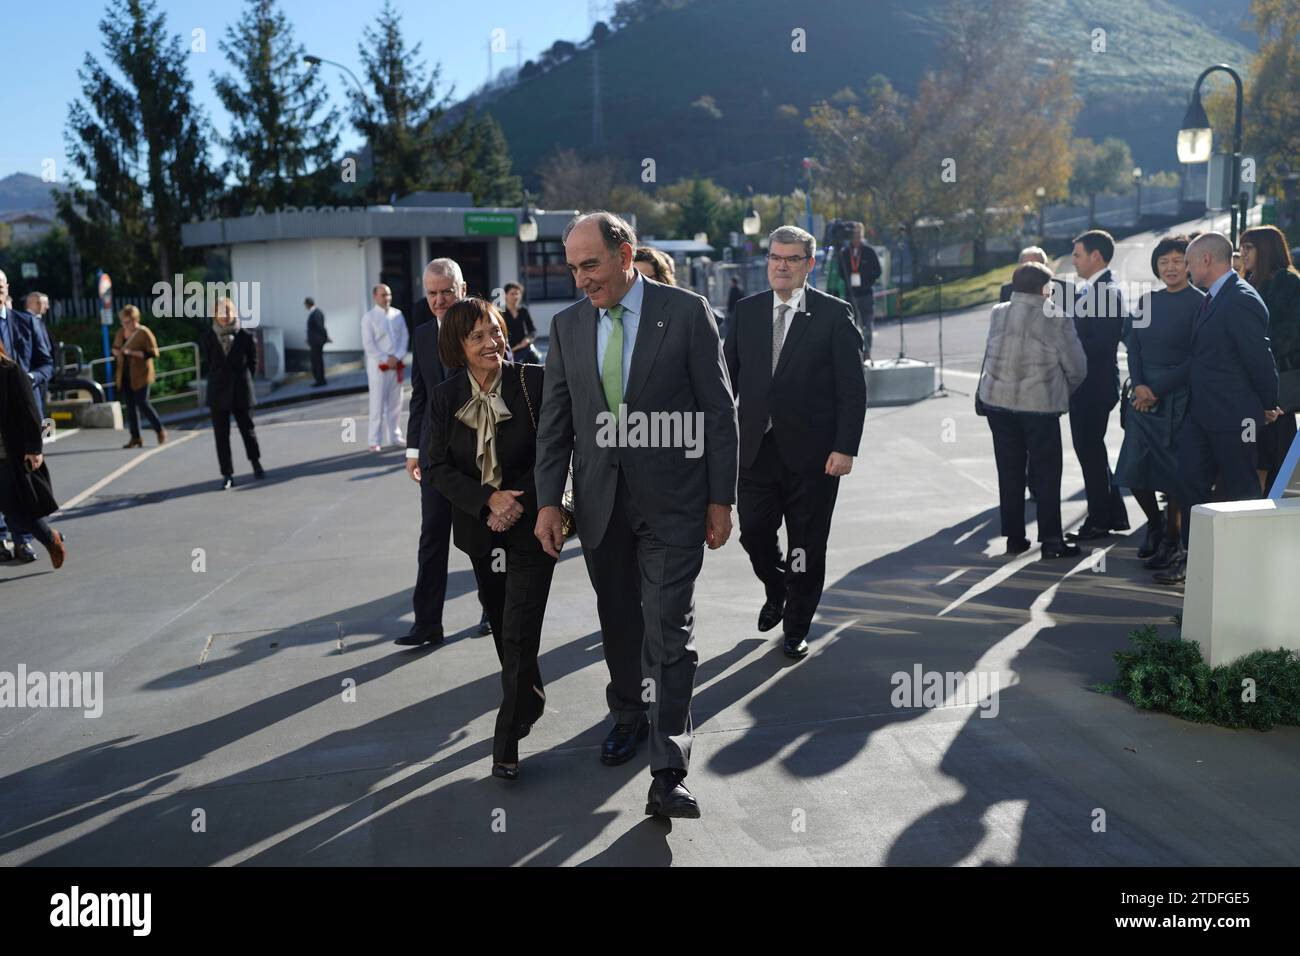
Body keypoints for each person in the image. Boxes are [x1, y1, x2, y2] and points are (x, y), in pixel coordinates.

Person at [534, 211, 738, 819]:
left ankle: (669, 768)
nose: (580, 280)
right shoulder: (567, 326)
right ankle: (625, 713)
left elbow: (718, 412)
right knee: (620, 623)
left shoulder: (686, 312)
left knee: (669, 630)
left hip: (674, 505)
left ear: (626, 254)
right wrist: (550, 500)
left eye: (589, 264)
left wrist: (720, 498)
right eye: (572, 268)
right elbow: (555, 421)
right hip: (599, 506)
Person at [725, 225, 866, 657]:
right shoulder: (746, 312)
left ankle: (796, 626)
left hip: (814, 458)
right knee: (754, 534)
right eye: (774, 257)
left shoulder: (833, 314)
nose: (781, 265)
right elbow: (724, 379)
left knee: (806, 544)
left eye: (791, 259)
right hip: (754, 452)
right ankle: (776, 587)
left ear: (809, 264)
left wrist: (845, 448)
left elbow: (852, 388)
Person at [427, 298, 554, 779]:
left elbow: (557, 447)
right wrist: (488, 500)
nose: (491, 343)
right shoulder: (445, 397)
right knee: (505, 628)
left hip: (533, 524)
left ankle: (505, 741)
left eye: (496, 331)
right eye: (477, 335)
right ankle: (531, 697)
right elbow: (436, 466)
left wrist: (516, 501)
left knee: (520, 628)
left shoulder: (532, 381)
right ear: (458, 345)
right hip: (480, 529)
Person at [1156, 232, 1280, 585]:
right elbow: (1202, 359)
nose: (1187, 269)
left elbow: (1259, 357)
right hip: (1203, 414)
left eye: (1190, 262)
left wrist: (1267, 404)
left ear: (1207, 260)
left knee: (1242, 491)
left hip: (1234, 415)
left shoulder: (1240, 299)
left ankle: (1248, 577)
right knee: (1189, 484)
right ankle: (1198, 572)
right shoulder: (1214, 298)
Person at [978, 262, 1088, 558]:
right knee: (1047, 473)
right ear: (1044, 288)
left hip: (998, 404)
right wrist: (1061, 391)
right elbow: (1077, 367)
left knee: (1009, 470)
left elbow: (990, 354)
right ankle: (1051, 540)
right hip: (1039, 405)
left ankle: (1015, 537)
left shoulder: (998, 312)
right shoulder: (1056, 317)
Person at [1114, 236, 1199, 573]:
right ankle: (1156, 523)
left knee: (1174, 476)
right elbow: (1133, 347)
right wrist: (1140, 386)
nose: (1170, 267)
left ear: (1190, 264)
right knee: (1133, 473)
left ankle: (1172, 539)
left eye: (1178, 260)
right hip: (1142, 396)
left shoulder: (1200, 304)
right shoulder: (1148, 302)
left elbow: (1196, 358)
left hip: (1178, 399)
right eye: (1164, 261)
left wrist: (1157, 389)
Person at [397, 259, 462, 648]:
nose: (439, 300)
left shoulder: (481, 326)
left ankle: (494, 612)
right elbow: (418, 396)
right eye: (432, 293)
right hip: (434, 457)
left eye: (446, 291)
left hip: (477, 457)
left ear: (462, 288)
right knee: (433, 536)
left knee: (486, 541)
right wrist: (412, 450)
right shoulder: (421, 334)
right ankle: (427, 624)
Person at [1065, 229, 1130, 541]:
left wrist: (1067, 344)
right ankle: (1112, 514)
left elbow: (1103, 344)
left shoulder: (1104, 291)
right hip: (1089, 386)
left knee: (1089, 453)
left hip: (1094, 387)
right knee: (1093, 453)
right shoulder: (1091, 289)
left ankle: (1099, 520)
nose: (1073, 261)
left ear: (1096, 256)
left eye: (1077, 254)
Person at [1240, 225, 1300, 493]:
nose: (1242, 253)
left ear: (1266, 249)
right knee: (1253, 458)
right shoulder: (1249, 281)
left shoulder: (1288, 283)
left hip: (1279, 389)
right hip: (1252, 385)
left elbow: (1283, 338)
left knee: (1274, 459)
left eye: (1249, 247)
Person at [0, 269, 54, 564]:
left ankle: (26, 539)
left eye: (0, 285)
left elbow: (48, 364)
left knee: (26, 479)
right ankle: (3, 538)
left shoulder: (26, 322)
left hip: (28, 415)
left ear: (7, 288)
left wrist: (29, 377)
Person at [0, 341, 66, 569]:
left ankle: (50, 537)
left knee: (16, 508)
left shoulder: (10, 371)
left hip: (9, 452)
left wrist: (34, 448)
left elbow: (30, 410)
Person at [201, 297, 264, 490]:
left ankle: (256, 464)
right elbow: (209, 364)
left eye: (227, 312)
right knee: (221, 436)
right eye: (220, 312)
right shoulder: (208, 337)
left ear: (233, 313)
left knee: (248, 430)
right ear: (215, 315)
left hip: (241, 391)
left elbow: (253, 364)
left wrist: (244, 381)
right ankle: (227, 474)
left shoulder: (245, 336)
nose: (224, 316)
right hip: (218, 392)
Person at [111, 305, 167, 449]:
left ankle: (159, 430)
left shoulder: (144, 332)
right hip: (125, 374)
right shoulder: (120, 332)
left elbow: (153, 353)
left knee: (142, 403)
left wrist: (132, 352)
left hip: (141, 374)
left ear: (135, 319)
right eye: (123, 322)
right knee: (130, 408)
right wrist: (117, 353)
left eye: (128, 321)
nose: (125, 325)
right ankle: (135, 437)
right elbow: (115, 348)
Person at [361, 283, 408, 452]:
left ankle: (395, 436)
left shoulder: (398, 314)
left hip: (396, 364)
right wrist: (385, 358)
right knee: (377, 403)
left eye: (388, 294)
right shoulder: (369, 317)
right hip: (378, 366)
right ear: (375, 297)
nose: (387, 298)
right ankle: (374, 440)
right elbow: (368, 344)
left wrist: (397, 356)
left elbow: (404, 337)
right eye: (383, 295)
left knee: (396, 402)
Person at [837, 222, 882, 361]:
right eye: (853, 234)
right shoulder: (844, 253)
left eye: (858, 234)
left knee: (867, 326)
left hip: (866, 295)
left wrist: (868, 282)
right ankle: (855, 354)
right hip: (851, 295)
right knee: (852, 328)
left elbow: (878, 271)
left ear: (862, 235)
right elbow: (841, 272)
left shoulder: (869, 251)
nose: (856, 237)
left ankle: (867, 352)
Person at [501, 282, 542, 365]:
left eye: (517, 294)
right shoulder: (501, 313)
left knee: (534, 362)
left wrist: (528, 339)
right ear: (505, 295)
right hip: (509, 350)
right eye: (512, 294)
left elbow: (532, 330)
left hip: (524, 348)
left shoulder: (523, 311)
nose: (515, 296)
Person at [305, 297, 330, 387]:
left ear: (308, 304)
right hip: (315, 341)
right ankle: (319, 379)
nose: (305, 307)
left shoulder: (316, 313)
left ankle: (320, 380)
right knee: (316, 361)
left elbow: (321, 327)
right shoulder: (314, 313)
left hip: (317, 342)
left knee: (317, 361)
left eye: (305, 305)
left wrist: (326, 337)